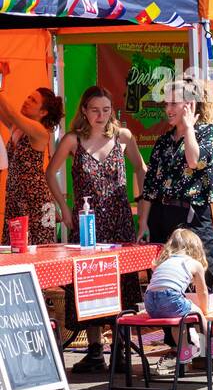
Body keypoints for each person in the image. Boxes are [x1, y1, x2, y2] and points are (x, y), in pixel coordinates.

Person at [136, 77, 213, 378]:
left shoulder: (208, 133)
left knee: (209, 281)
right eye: (166, 103)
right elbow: (150, 187)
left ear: (190, 104)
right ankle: (179, 348)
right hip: (163, 216)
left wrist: (189, 128)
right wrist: (143, 222)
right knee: (169, 283)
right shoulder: (162, 142)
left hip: (194, 216)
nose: (167, 108)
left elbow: (195, 160)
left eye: (173, 103)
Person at [45, 86, 147, 373]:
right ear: (84, 111)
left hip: (119, 222)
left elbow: (141, 169)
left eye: (105, 109)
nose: (100, 115)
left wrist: (142, 210)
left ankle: (120, 348)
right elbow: (50, 173)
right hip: (87, 224)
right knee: (87, 284)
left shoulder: (123, 137)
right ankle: (94, 350)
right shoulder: (73, 140)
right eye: (94, 110)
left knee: (120, 284)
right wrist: (64, 209)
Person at [0, 82, 62, 244]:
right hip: (16, 200)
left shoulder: (41, 132)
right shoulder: (16, 127)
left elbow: (12, 114)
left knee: (42, 252)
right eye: (28, 97)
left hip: (38, 205)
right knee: (13, 251)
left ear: (43, 112)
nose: (26, 100)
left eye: (33, 100)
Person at [142, 228, 210, 372]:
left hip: (149, 303)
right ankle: (211, 342)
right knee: (197, 312)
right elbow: (202, 292)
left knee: (177, 322)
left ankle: (183, 351)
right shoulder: (194, 263)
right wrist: (204, 310)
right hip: (170, 297)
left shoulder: (164, 262)